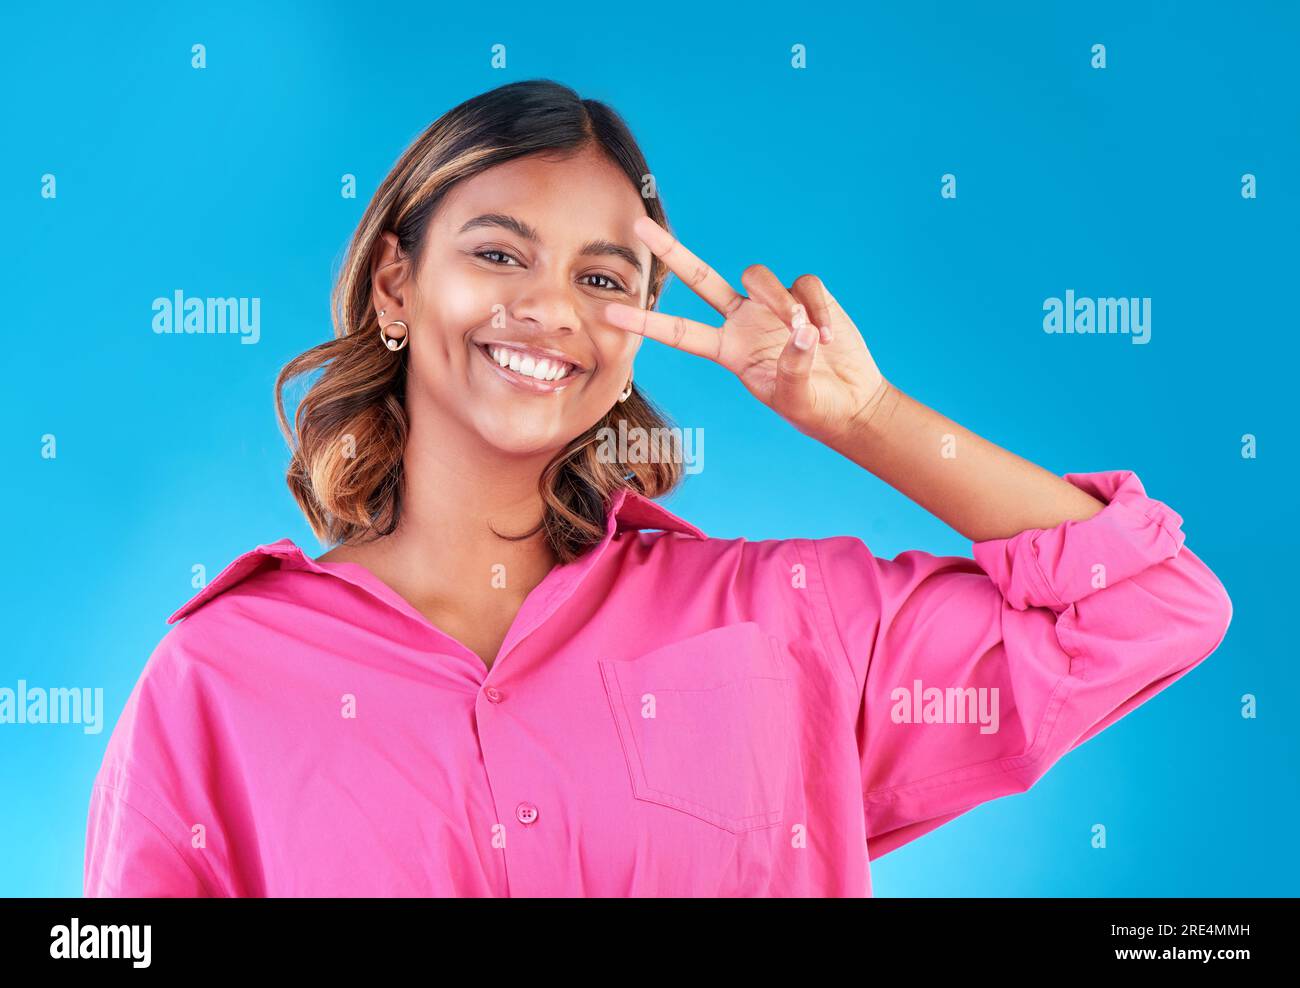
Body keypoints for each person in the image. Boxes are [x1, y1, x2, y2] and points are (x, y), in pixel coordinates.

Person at [84, 79, 1232, 897]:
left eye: (601, 276)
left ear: (632, 337)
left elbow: (1149, 607)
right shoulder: (218, 681)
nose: (551, 310)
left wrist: (860, 416)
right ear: (397, 281)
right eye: (497, 252)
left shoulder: (785, 623)